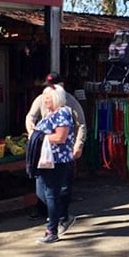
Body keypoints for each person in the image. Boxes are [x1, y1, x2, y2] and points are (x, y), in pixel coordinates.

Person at [26, 71, 87, 226]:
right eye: (48, 87)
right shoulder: (41, 99)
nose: (49, 92)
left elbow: (80, 124)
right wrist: (31, 131)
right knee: (43, 188)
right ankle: (52, 215)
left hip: (62, 153)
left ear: (61, 86)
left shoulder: (69, 103)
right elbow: (30, 117)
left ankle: (60, 218)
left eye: (53, 87)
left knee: (62, 188)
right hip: (44, 152)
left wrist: (78, 144)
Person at [32, 84, 76, 243]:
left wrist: (39, 137)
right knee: (41, 192)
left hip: (57, 160)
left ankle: (52, 230)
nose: (44, 100)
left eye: (47, 97)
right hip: (45, 160)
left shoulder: (63, 113)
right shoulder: (50, 114)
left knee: (51, 194)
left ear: (56, 98)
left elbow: (60, 137)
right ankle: (63, 216)